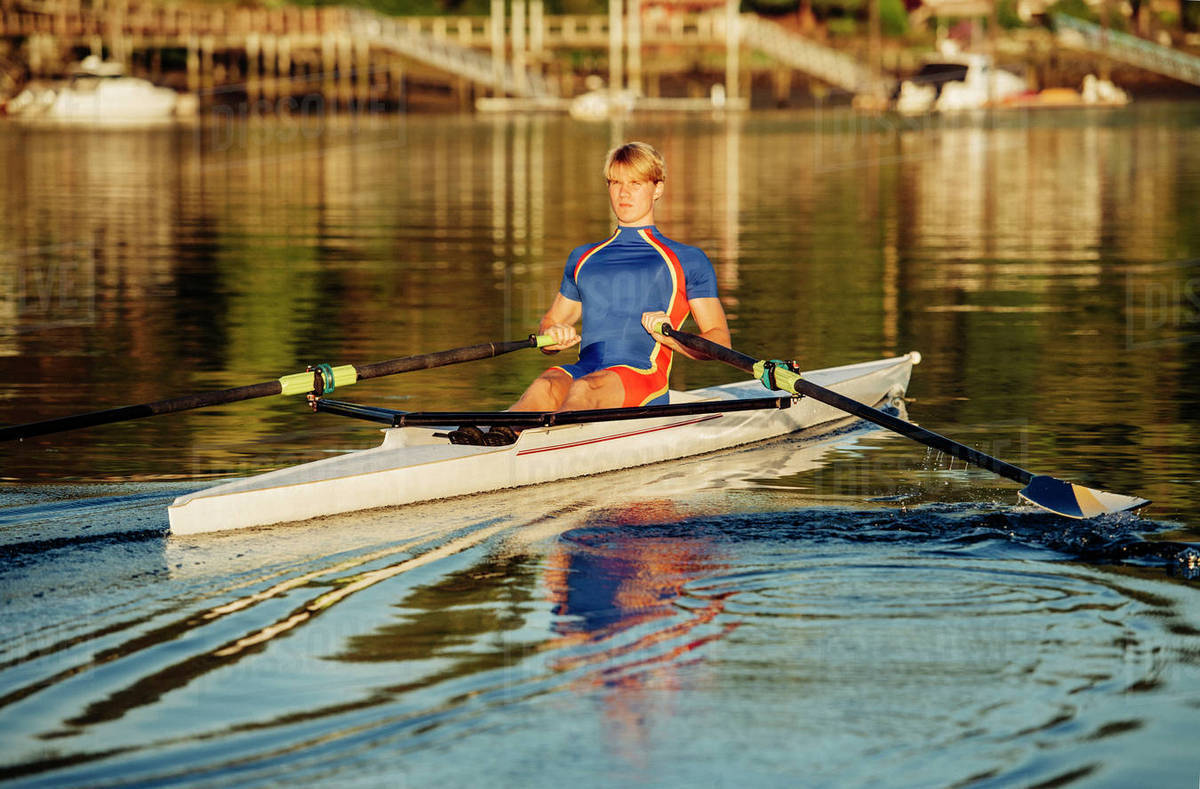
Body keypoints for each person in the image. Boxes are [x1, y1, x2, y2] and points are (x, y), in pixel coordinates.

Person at [451, 141, 731, 445]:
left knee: (586, 389)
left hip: (640, 377)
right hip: (585, 372)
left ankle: (537, 444)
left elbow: (720, 340)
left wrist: (670, 337)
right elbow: (550, 324)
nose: (623, 193)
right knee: (545, 385)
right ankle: (495, 437)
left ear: (657, 189)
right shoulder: (583, 257)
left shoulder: (687, 260)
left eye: (635, 183)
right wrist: (552, 335)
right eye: (615, 183)